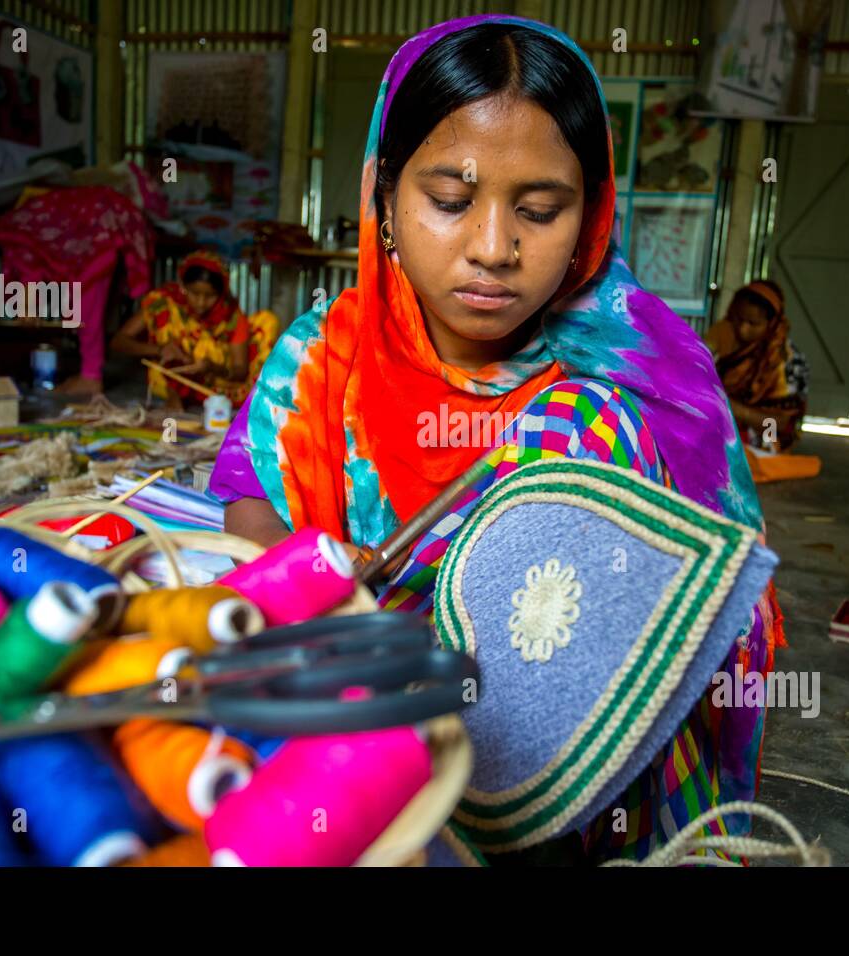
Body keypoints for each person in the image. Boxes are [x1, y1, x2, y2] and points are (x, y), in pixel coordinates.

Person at [210, 16, 783, 862]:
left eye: (540, 210)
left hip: (574, 735)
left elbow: (712, 594)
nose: (493, 249)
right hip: (363, 706)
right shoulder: (325, 355)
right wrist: (314, 601)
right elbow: (251, 499)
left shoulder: (639, 372)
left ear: (589, 218)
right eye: (449, 201)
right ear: (384, 198)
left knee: (580, 426)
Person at [110, 250, 277, 409]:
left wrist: (211, 368)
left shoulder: (231, 316)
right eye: (194, 294)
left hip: (219, 386)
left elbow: (240, 371)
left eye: (210, 296)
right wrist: (160, 350)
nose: (201, 303)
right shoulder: (164, 305)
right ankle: (174, 392)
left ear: (221, 293)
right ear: (183, 286)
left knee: (267, 321)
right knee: (166, 318)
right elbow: (118, 342)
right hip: (168, 379)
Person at [706, 279, 810, 451]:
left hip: (766, 435)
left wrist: (729, 407)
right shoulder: (726, 332)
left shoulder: (787, 361)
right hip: (724, 418)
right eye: (738, 319)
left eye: (753, 324)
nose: (742, 329)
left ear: (771, 323)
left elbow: (783, 425)